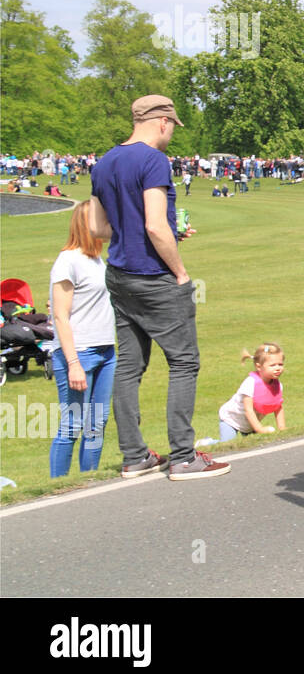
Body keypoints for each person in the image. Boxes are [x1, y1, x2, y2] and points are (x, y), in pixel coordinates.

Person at [89, 94, 229, 480]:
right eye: (172, 126)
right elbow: (153, 224)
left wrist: (161, 232)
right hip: (153, 275)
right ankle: (183, 456)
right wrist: (181, 271)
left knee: (130, 365)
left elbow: (97, 228)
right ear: (163, 122)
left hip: (118, 273)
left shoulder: (104, 162)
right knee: (184, 361)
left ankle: (134, 455)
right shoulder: (153, 160)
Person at [48, 201, 117, 477]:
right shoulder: (68, 260)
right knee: (72, 424)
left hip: (106, 351)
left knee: (97, 423)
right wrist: (73, 362)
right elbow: (60, 317)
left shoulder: (97, 260)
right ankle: (58, 487)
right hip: (79, 353)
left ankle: (89, 482)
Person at [216, 343, 286, 441]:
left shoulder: (278, 386)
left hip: (250, 424)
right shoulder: (250, 383)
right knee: (227, 443)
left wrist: (282, 429)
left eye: (280, 364)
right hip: (231, 420)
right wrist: (259, 429)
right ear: (259, 367)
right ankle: (206, 443)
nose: (278, 368)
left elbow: (278, 407)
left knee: (258, 444)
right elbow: (248, 410)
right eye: (273, 365)